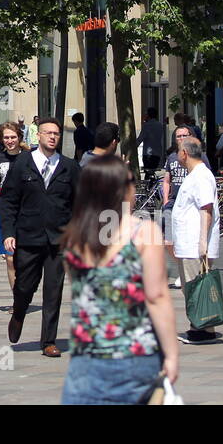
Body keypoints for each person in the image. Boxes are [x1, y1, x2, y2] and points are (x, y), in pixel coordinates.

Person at [60, 155, 178, 404]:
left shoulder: (74, 236)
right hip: (134, 352)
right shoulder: (143, 231)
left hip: (85, 356)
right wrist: (171, 354)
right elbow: (156, 296)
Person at [0, 118, 78, 357]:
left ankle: (49, 341)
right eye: (48, 133)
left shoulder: (69, 167)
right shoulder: (23, 163)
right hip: (29, 236)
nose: (53, 137)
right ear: (38, 136)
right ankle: (19, 313)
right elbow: (9, 201)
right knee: (25, 286)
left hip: (58, 239)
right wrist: (8, 233)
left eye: (56, 133)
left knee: (53, 291)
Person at [171, 136, 223, 345]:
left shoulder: (201, 175)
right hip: (188, 244)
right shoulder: (195, 175)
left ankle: (202, 328)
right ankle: (200, 326)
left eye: (177, 150)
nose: (176, 155)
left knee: (195, 286)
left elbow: (206, 208)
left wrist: (203, 241)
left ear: (184, 153)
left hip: (195, 244)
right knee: (190, 286)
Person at [161, 124, 208, 289]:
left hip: (189, 206)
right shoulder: (172, 157)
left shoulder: (198, 157)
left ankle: (187, 272)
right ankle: (183, 268)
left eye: (184, 135)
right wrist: (166, 199)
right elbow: (166, 180)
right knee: (168, 241)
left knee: (186, 239)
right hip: (173, 203)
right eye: (178, 136)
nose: (181, 139)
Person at [0, 123, 25, 298]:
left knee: (24, 260)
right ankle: (17, 298)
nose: (10, 141)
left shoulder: (30, 158)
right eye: (6, 137)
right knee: (10, 259)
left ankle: (25, 292)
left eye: (13, 137)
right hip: (5, 213)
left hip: (27, 214)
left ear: (19, 138)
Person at [133, 107, 165, 173]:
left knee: (148, 173)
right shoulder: (160, 125)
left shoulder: (147, 125)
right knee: (152, 172)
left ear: (148, 115)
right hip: (157, 153)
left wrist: (132, 147)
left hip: (148, 154)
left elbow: (140, 138)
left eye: (146, 114)